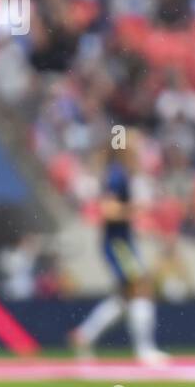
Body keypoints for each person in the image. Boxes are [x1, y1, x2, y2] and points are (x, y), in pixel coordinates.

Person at [69, 133, 168, 365]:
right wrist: (137, 209)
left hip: (121, 240)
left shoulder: (120, 174)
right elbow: (107, 210)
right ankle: (144, 350)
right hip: (118, 243)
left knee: (125, 296)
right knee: (141, 288)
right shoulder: (117, 175)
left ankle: (84, 335)